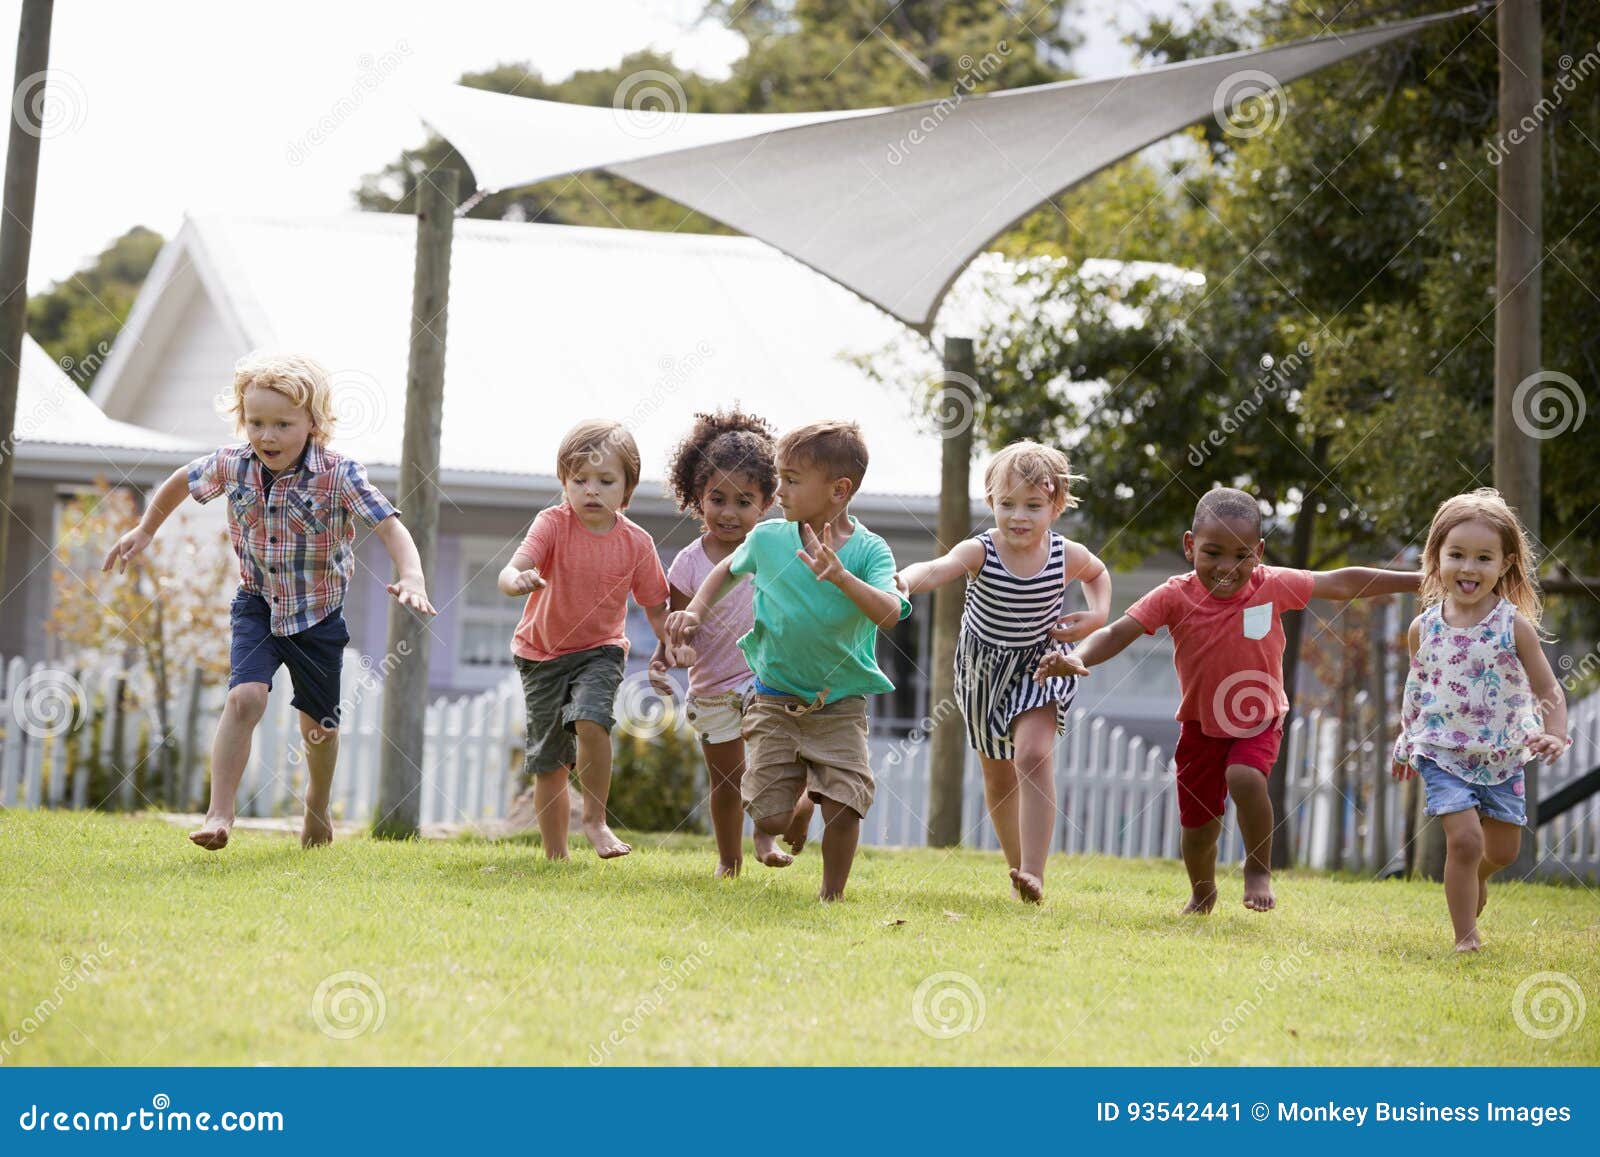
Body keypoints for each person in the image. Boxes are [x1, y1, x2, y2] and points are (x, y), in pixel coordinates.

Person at [103, 352, 436, 850]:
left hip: (317, 616)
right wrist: (146, 529)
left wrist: (412, 576)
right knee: (245, 698)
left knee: (319, 729)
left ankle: (317, 806)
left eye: (283, 424)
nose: (267, 436)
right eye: (256, 422)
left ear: (313, 423)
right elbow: (181, 480)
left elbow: (389, 526)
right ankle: (219, 813)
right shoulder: (232, 465)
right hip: (256, 604)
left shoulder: (339, 474)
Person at [1390, 488, 1568, 951]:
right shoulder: (1423, 628)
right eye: (1457, 555)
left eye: (1483, 558)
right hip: (1442, 752)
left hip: (1502, 753)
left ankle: (1477, 877)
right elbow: (1417, 691)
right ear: (1436, 556)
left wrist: (1554, 733)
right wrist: (1405, 743)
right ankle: (1465, 937)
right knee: (1466, 841)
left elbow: (1548, 689)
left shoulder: (1514, 626)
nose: (1469, 568)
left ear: (1505, 564)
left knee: (1503, 851)